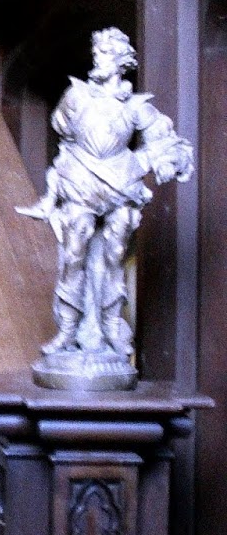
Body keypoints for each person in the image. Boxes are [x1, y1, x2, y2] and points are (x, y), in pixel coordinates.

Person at [17, 27, 193, 368]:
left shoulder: (137, 107)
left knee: (114, 257)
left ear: (121, 62)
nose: (98, 58)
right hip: (81, 183)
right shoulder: (76, 96)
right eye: (97, 52)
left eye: (106, 53)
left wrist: (148, 161)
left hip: (120, 188)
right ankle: (67, 330)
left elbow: (166, 142)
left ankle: (112, 326)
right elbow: (66, 137)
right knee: (73, 255)